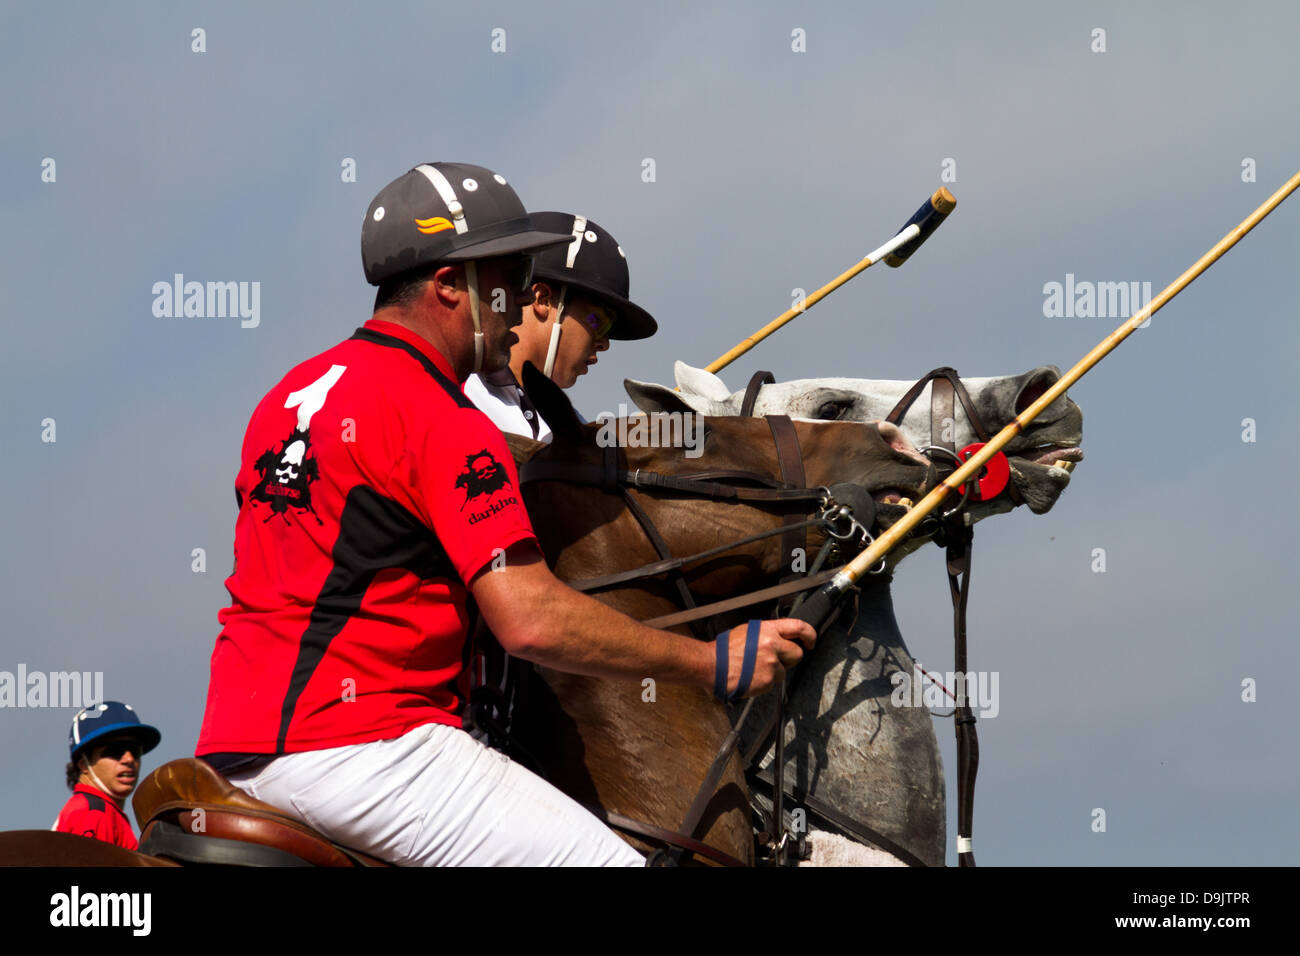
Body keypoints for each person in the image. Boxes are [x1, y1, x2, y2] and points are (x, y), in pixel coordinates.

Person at [193, 162, 814, 867]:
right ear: (447, 284)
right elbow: (529, 619)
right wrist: (710, 661)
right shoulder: (444, 417)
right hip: (370, 747)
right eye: (509, 278)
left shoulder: (284, 398)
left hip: (232, 751)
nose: (521, 301)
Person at [462, 212, 657, 441]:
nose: (604, 344)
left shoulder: (575, 426)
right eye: (598, 321)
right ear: (543, 299)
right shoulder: (457, 391)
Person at [54, 701, 161, 850]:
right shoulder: (94, 813)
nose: (129, 759)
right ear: (83, 764)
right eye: (115, 751)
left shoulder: (102, 811)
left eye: (135, 750)